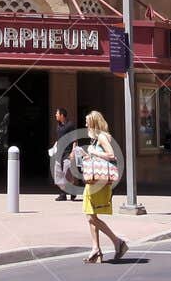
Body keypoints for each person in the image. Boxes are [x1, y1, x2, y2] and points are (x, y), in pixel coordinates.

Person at [80, 110, 127, 263]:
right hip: (92, 181)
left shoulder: (101, 137)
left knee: (90, 216)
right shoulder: (95, 140)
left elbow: (112, 155)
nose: (85, 124)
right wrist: (86, 155)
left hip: (99, 183)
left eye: (87, 122)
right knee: (91, 215)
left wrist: (94, 152)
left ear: (93, 123)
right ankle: (96, 250)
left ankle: (117, 242)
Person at [48, 107, 78, 201]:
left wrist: (73, 152)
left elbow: (75, 139)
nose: (55, 115)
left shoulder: (70, 125)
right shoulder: (59, 125)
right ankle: (63, 194)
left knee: (67, 174)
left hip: (67, 152)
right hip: (59, 153)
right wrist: (54, 147)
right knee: (58, 174)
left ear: (62, 115)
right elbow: (59, 138)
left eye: (57, 114)